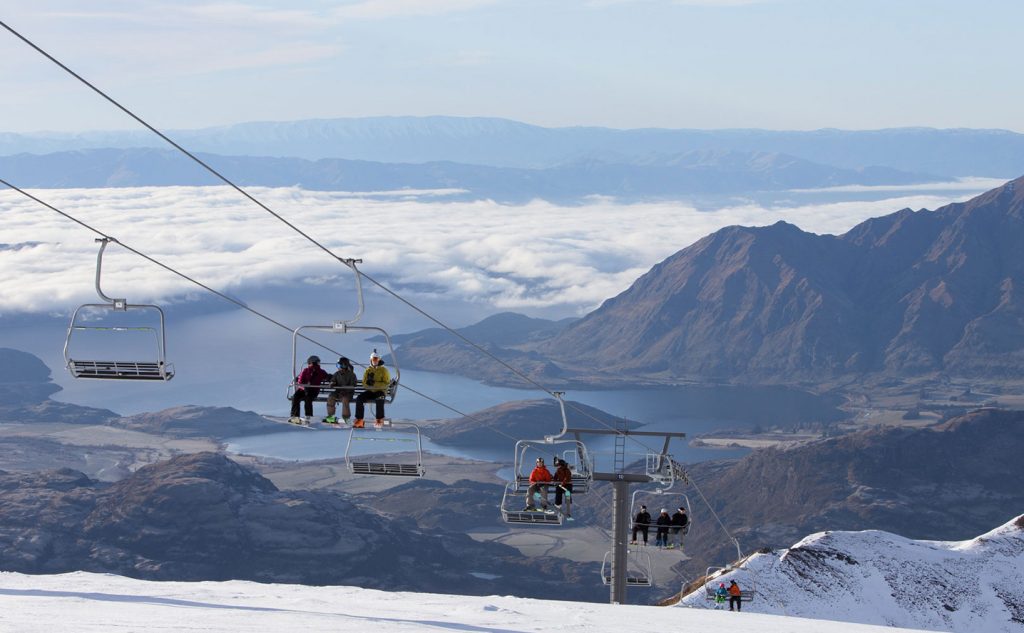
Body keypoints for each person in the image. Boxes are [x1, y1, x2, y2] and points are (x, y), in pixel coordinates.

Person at [354, 350, 390, 429]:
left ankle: (379, 419)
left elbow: (386, 384)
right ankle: (359, 420)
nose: (375, 361)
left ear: (379, 360)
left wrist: (374, 383)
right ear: (370, 360)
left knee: (379, 398)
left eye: (376, 359)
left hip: (380, 391)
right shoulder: (368, 370)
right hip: (371, 391)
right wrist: (368, 384)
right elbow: (364, 383)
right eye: (373, 359)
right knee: (359, 399)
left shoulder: (384, 370)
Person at [289, 355, 329, 424]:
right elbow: (300, 382)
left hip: (313, 390)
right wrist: (304, 388)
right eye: (317, 363)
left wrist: (332, 378)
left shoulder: (320, 372)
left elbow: (327, 376)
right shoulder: (305, 371)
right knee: (295, 397)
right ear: (312, 363)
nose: (318, 364)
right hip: (303, 389)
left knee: (308, 399)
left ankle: (308, 416)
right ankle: (295, 416)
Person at [323, 356, 356, 425]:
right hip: (338, 392)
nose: (338, 367)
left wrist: (346, 390)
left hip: (348, 393)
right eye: (338, 365)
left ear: (344, 366)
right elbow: (333, 380)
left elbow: (353, 385)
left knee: (345, 399)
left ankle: (346, 418)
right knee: (331, 397)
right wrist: (332, 383)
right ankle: (331, 416)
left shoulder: (351, 375)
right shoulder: (337, 374)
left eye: (339, 365)